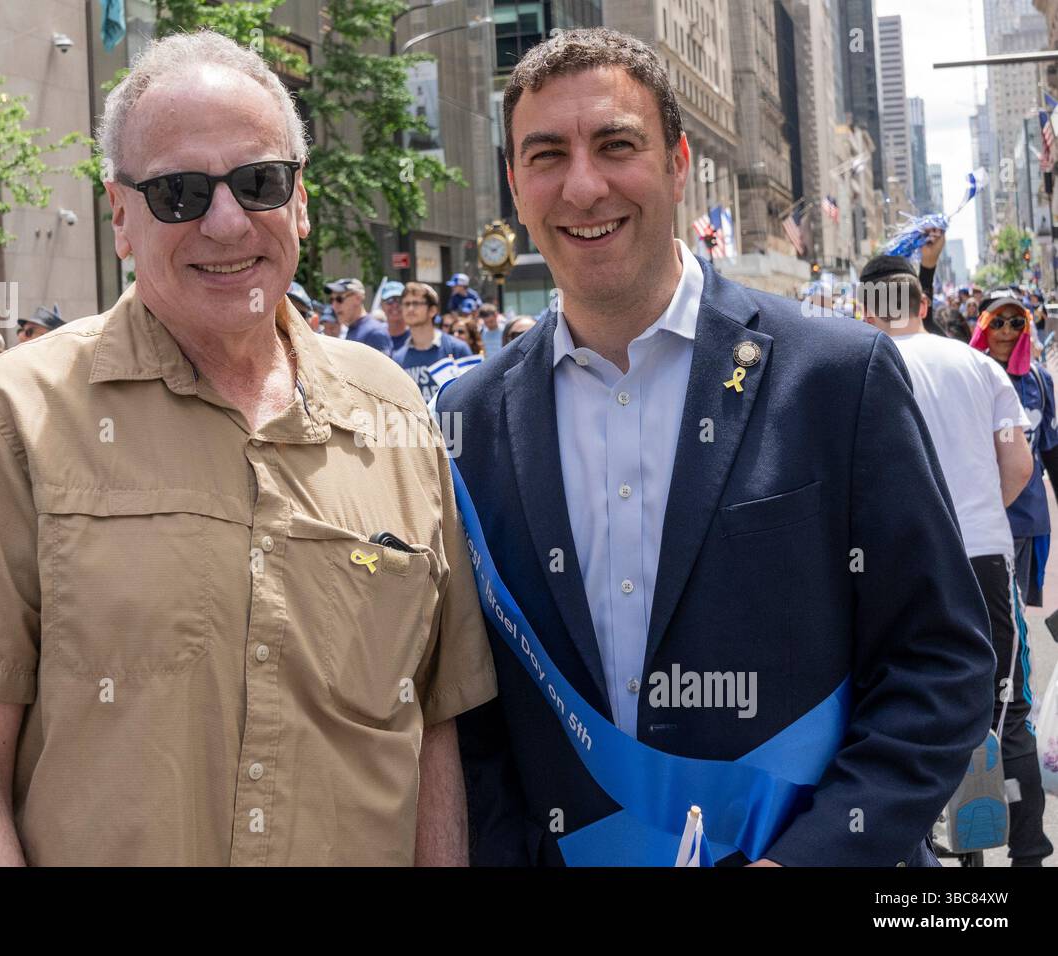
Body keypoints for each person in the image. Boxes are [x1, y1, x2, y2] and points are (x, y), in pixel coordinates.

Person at [0, 30, 495, 867]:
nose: (227, 221)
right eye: (179, 193)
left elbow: (432, 737)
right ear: (119, 216)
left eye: (259, 182)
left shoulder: (392, 413)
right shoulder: (10, 417)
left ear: (301, 201)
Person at [438, 27, 994, 867]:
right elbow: (475, 718)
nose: (583, 186)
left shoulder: (838, 376)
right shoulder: (468, 419)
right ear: (516, 186)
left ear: (678, 164)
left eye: (616, 145)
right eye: (547, 155)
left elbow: (942, 664)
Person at [860, 258, 1049, 866]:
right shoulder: (979, 367)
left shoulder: (857, 366)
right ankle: (1026, 851)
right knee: (1005, 706)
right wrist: (977, 512)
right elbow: (1019, 465)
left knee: (906, 705)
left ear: (866, 310)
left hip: (898, 562)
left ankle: (931, 850)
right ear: (922, 304)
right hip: (982, 554)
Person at [971, 290, 1058, 610]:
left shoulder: (1039, 379)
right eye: (998, 322)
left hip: (1026, 521)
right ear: (983, 326)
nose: (1007, 331)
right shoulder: (967, 376)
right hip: (977, 521)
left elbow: (1051, 450)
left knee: (1014, 613)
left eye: (1016, 322)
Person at [393, 282, 473, 403]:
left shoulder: (458, 348)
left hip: (453, 416)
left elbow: (472, 396)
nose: (410, 309)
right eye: (406, 304)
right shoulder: (398, 358)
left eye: (416, 303)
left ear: (432, 310)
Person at [325, 278, 392, 355]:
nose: (334, 306)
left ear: (358, 298)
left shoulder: (374, 332)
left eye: (339, 299)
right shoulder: (353, 328)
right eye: (331, 300)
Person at [382, 281, 409, 351]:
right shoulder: (375, 335)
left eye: (399, 300)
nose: (395, 305)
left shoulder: (416, 336)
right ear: (382, 306)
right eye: (389, 301)